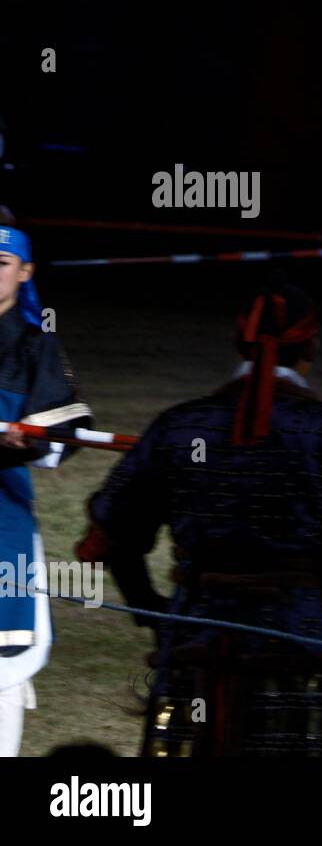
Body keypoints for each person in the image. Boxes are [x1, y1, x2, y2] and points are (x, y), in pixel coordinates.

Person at [76, 278, 322, 756]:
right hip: (306, 642)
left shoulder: (178, 426)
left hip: (196, 635)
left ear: (237, 339)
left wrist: (154, 612)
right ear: (310, 345)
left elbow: (109, 533)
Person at [0, 208, 93, 756]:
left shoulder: (37, 348)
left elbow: (65, 442)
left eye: (2, 262)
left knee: (2, 678)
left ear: (26, 272)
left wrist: (33, 441)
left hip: (3, 528)